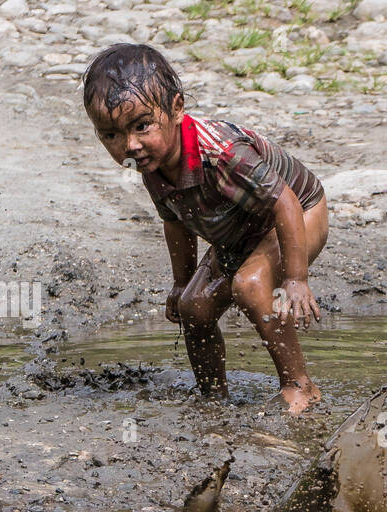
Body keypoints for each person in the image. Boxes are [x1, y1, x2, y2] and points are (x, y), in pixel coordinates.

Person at [83, 43, 328, 413]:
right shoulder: (151, 164)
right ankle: (213, 398)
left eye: (141, 126)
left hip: (299, 214)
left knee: (251, 285)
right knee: (193, 306)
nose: (130, 146)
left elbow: (285, 202)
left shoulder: (223, 153)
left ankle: (300, 386)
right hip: (239, 230)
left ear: (177, 108)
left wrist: (295, 279)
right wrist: (181, 282)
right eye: (111, 135)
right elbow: (175, 223)